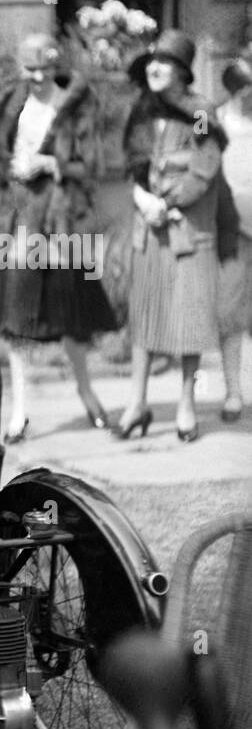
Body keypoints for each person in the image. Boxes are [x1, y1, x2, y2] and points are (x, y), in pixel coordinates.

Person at [0, 33, 118, 442]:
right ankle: (19, 411)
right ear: (19, 68)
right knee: (18, 317)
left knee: (71, 312)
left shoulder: (76, 107)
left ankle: (86, 391)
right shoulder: (6, 107)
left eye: (44, 69)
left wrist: (49, 162)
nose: (37, 77)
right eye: (29, 69)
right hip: (19, 220)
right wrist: (12, 171)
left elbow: (91, 165)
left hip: (62, 221)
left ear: (56, 67)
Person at [118, 29, 228, 443]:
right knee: (144, 312)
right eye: (151, 62)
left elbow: (205, 166)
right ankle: (137, 404)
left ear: (183, 72)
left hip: (187, 229)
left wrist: (171, 200)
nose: (154, 68)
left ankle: (185, 404)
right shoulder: (140, 112)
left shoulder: (201, 113)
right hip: (149, 229)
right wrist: (141, 197)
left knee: (188, 319)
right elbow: (130, 165)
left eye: (164, 62)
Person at [217, 43, 252, 422]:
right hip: (230, 231)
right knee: (230, 313)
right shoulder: (211, 119)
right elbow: (200, 161)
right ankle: (233, 393)